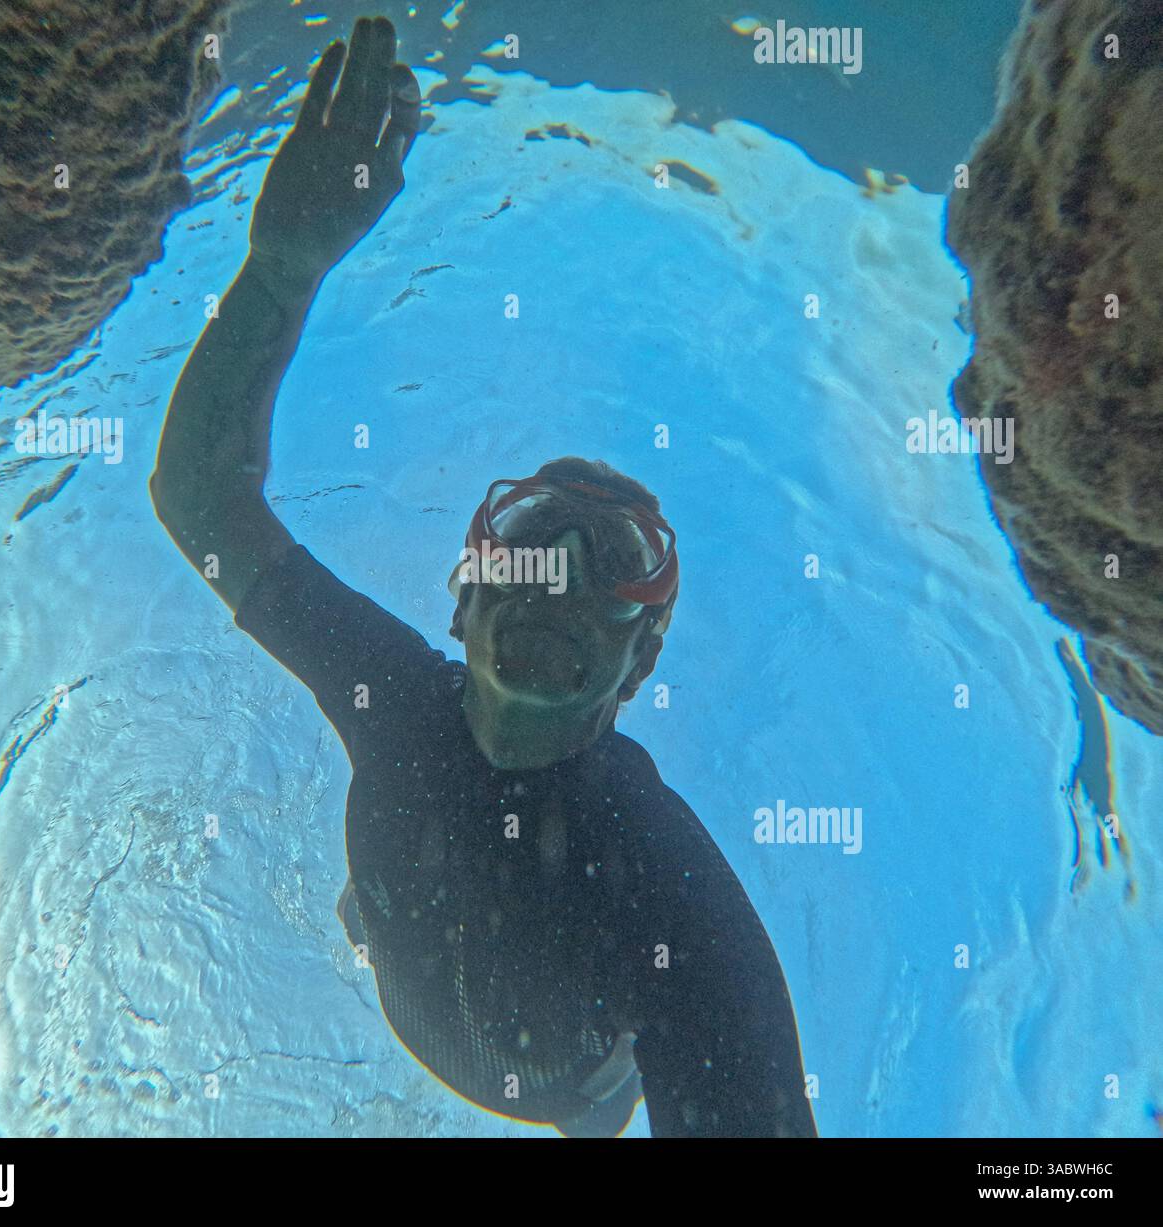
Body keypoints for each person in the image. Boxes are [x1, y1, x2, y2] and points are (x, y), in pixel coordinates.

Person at [150, 15, 816, 1139]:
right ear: (460, 604)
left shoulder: (668, 889)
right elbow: (201, 503)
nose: (552, 585)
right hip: (403, 951)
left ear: (640, 657)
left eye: (604, 567)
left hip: (576, 1101)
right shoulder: (387, 691)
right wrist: (281, 266)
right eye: (524, 551)